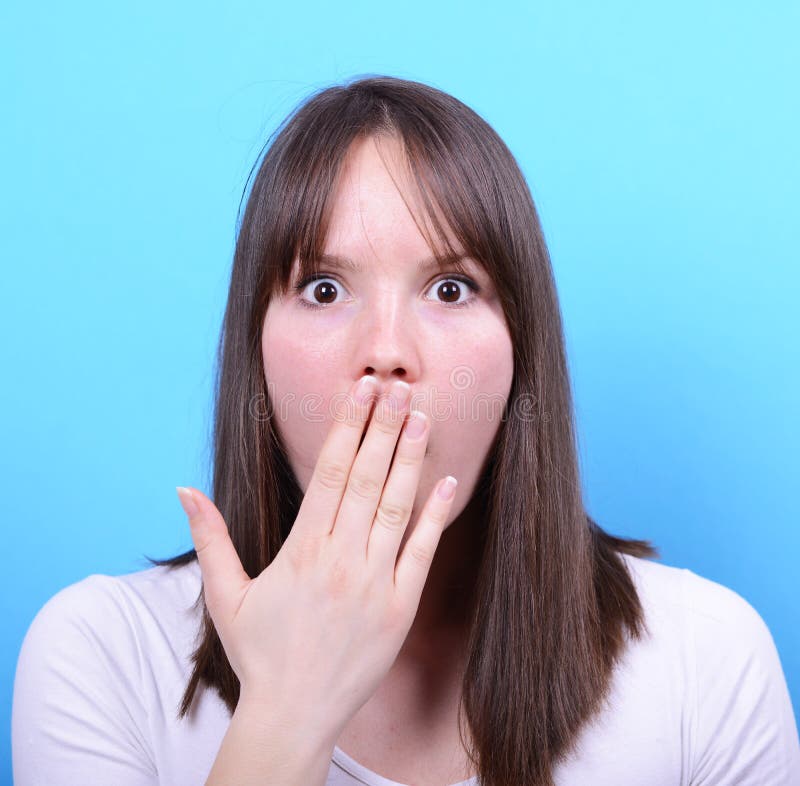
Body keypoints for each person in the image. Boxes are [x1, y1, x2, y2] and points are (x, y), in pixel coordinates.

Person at [11, 75, 800, 786]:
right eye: (323, 289)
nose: (386, 352)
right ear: (256, 351)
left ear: (524, 353)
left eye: (451, 288)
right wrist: (288, 710)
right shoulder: (102, 657)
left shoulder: (706, 660)